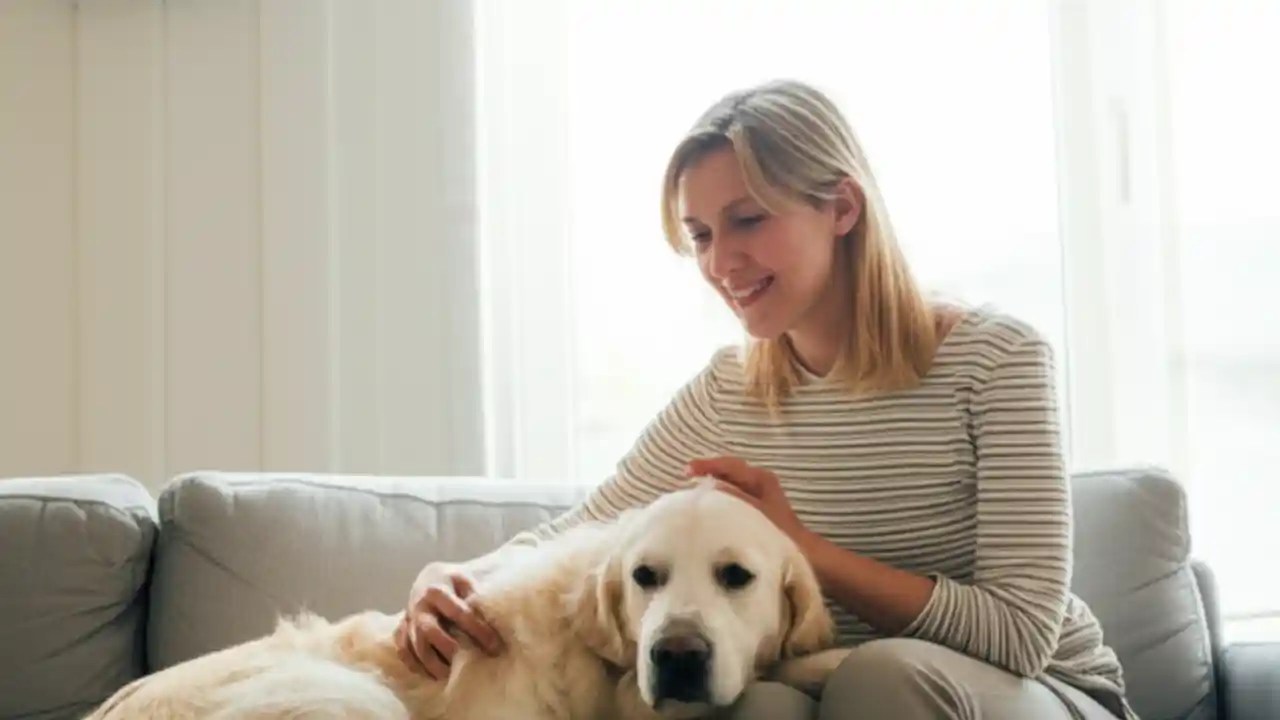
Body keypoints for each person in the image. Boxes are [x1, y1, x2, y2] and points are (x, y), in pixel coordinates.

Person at [393, 79, 1135, 720]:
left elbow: (1022, 630)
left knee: (882, 674)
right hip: (839, 691)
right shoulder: (726, 393)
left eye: (748, 221)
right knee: (755, 702)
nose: (721, 262)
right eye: (701, 235)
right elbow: (585, 533)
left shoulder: (995, 361)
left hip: (1044, 691)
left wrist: (804, 554)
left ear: (842, 207)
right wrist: (452, 579)